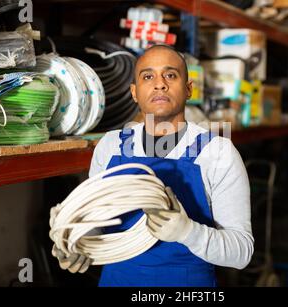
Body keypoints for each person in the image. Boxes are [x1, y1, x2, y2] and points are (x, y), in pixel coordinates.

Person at [52, 44, 254, 286]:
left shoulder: (217, 152)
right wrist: (76, 239)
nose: (160, 84)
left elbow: (241, 253)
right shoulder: (111, 145)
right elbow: (99, 224)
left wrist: (187, 232)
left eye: (170, 75)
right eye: (148, 76)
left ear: (189, 89)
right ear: (135, 92)